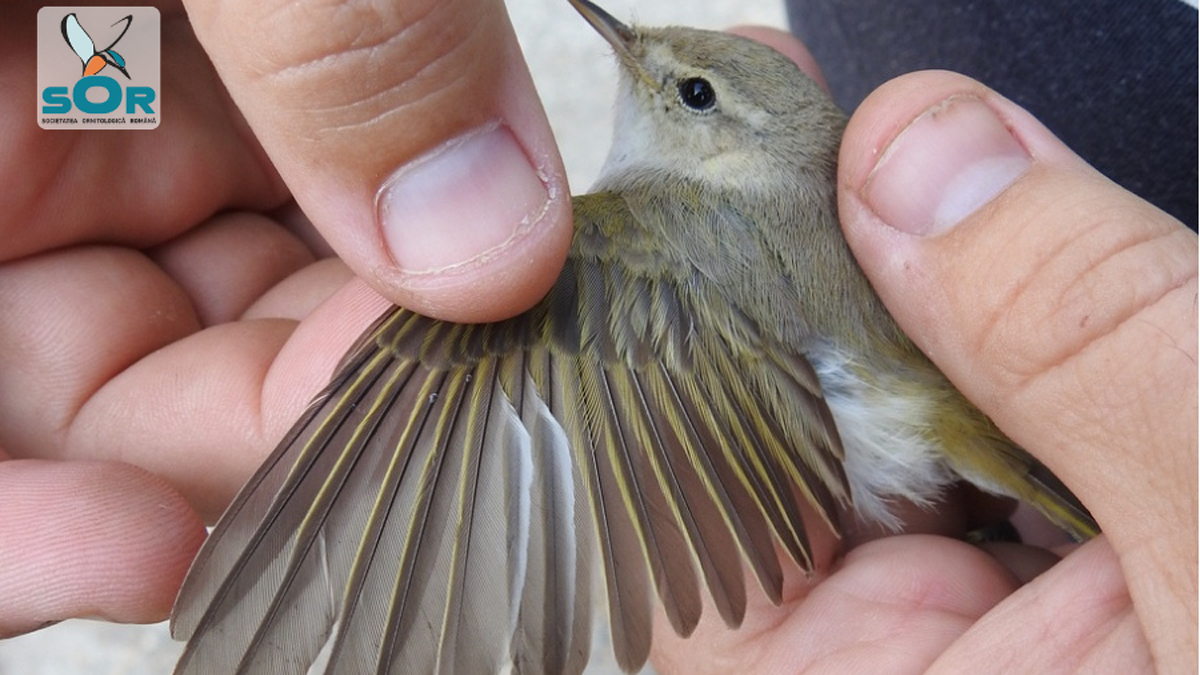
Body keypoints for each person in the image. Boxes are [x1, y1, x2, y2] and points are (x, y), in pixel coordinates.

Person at [0, 0, 1193, 671]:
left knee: (472, 323)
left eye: (686, 92)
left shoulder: (621, 241)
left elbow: (504, 429)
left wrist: (87, 51)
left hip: (933, 417)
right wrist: (78, 50)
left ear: (729, 145)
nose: (634, 62)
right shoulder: (741, 206)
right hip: (951, 386)